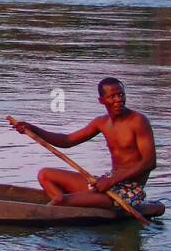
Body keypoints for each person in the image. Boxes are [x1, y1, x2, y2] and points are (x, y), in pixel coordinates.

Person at [9, 78, 157, 209]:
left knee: (62, 200)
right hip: (106, 182)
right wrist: (33, 129)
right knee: (45, 175)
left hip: (129, 189)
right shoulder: (102, 122)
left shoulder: (138, 121)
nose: (118, 99)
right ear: (102, 100)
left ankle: (64, 204)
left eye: (121, 94)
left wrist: (111, 181)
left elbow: (149, 162)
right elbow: (66, 141)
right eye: (112, 96)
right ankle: (73, 207)